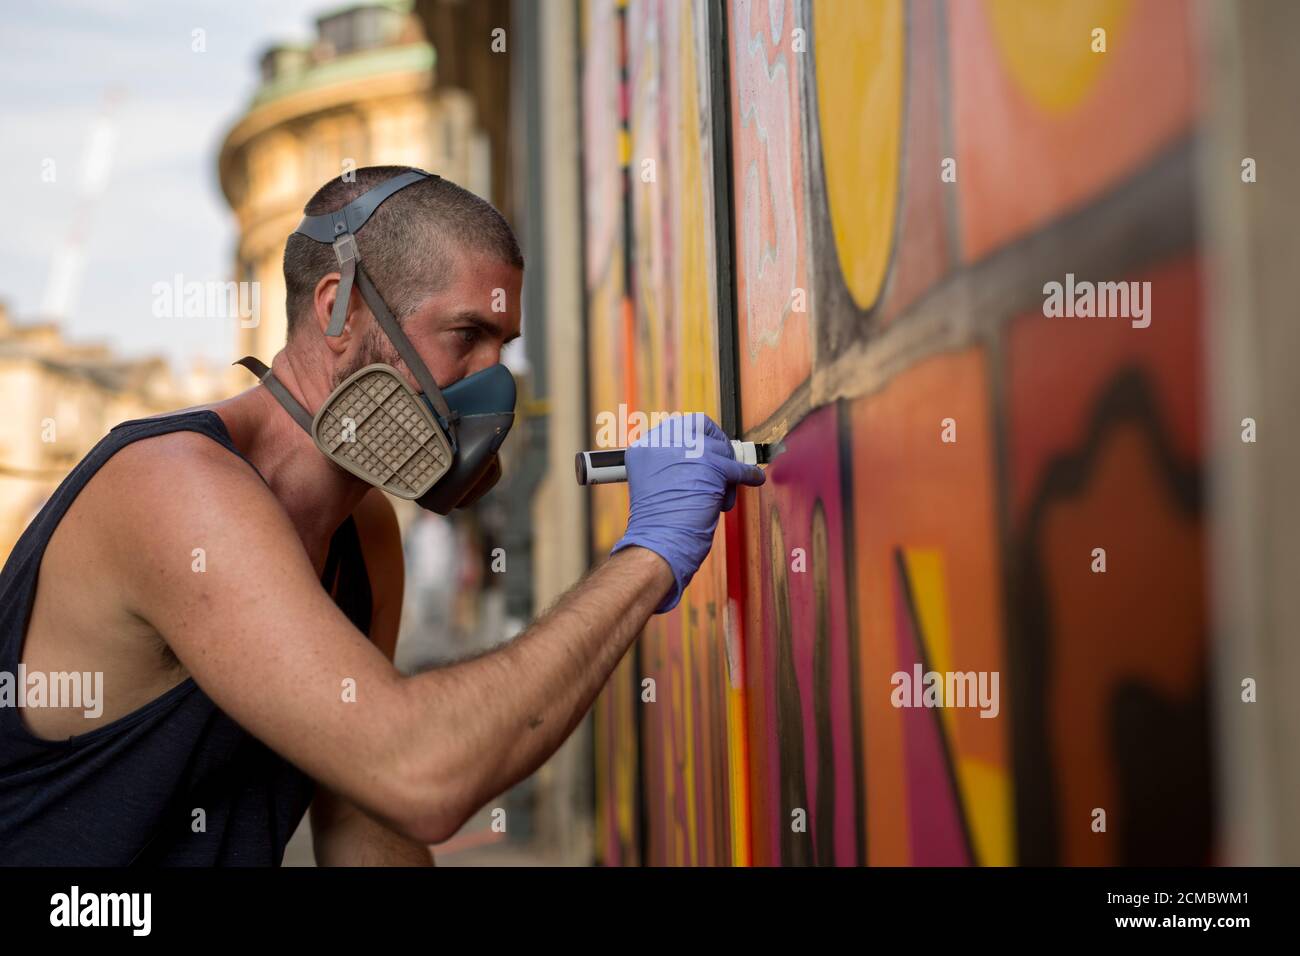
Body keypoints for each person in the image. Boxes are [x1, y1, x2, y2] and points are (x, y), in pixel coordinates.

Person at [0, 166, 763, 865]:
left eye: (503, 347)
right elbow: (417, 772)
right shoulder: (172, 488)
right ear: (339, 310)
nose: (493, 385)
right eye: (466, 335)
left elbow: (367, 820)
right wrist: (650, 552)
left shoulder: (364, 538)